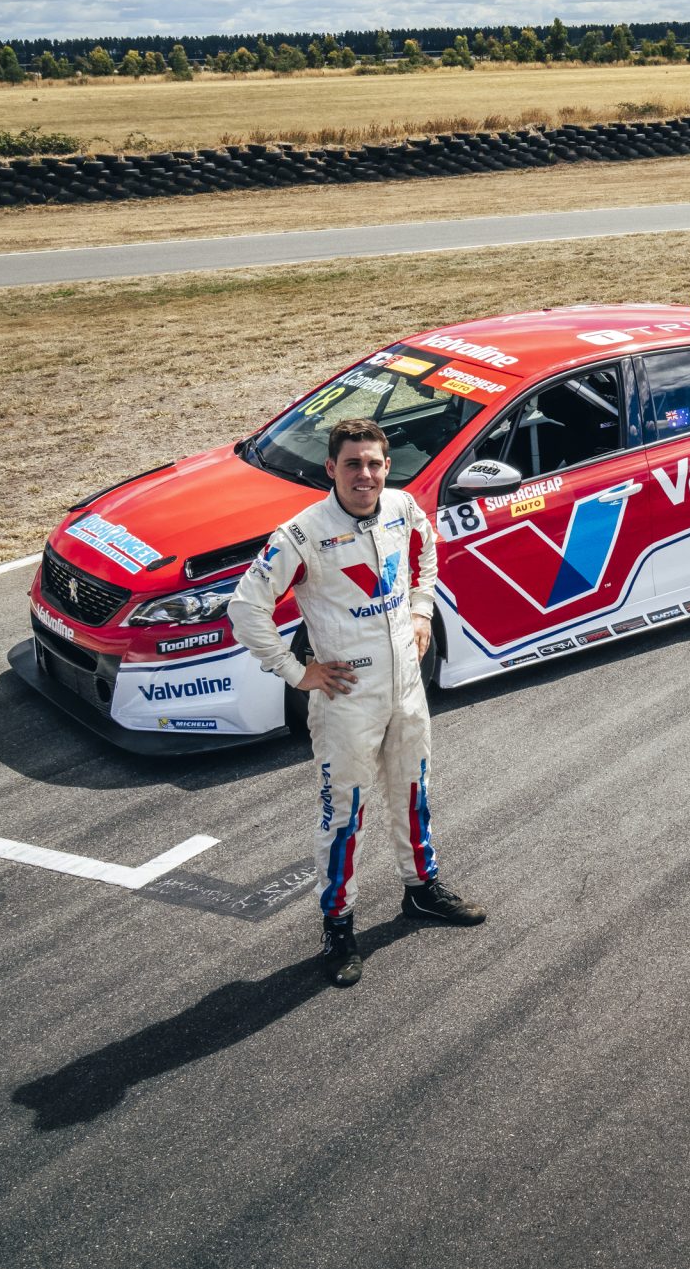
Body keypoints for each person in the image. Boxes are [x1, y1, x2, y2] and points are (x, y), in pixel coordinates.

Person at [230, 417, 485, 987]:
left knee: (414, 793)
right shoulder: (301, 534)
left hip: (406, 690)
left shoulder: (401, 507)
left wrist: (421, 610)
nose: (364, 474)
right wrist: (297, 673)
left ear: (386, 466)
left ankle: (421, 890)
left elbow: (427, 547)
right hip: (346, 700)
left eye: (373, 463)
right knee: (344, 817)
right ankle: (338, 924)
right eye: (352, 464)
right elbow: (245, 609)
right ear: (331, 469)